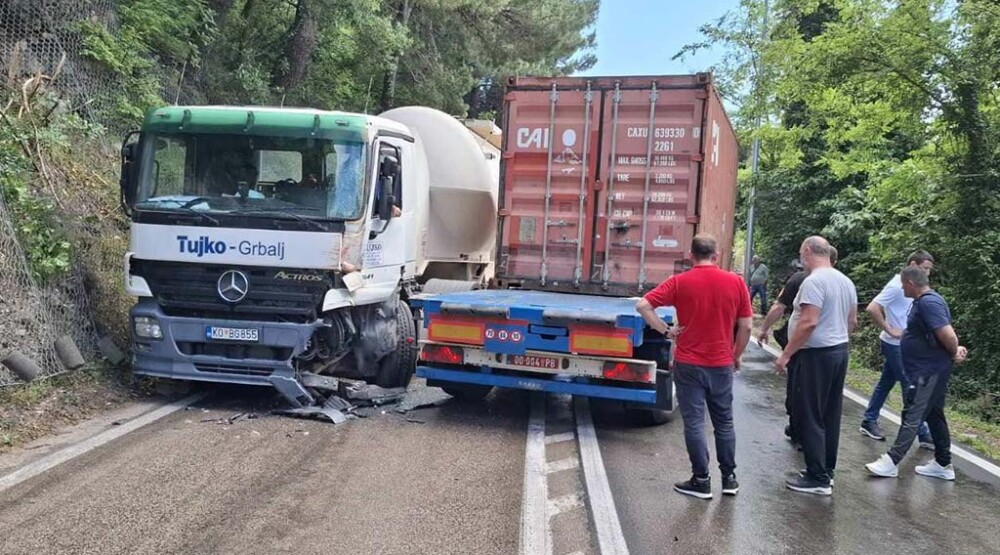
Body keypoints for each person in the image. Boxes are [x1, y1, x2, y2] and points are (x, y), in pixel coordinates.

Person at [636, 234, 753, 500]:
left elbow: (643, 305)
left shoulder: (680, 282)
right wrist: (736, 354)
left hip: (689, 363)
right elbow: (746, 325)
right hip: (722, 362)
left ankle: (701, 480)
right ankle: (729, 479)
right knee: (724, 422)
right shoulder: (735, 282)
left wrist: (667, 331)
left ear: (691, 255)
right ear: (717, 254)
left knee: (695, 423)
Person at [865, 266, 967, 480]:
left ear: (911, 283)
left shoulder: (929, 303)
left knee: (912, 414)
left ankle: (891, 461)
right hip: (927, 369)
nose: (902, 288)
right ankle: (942, 464)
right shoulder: (924, 302)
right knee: (934, 415)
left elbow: (947, 334)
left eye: (903, 284)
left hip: (929, 371)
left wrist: (954, 351)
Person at [775, 236, 857, 496]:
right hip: (838, 351)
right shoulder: (845, 281)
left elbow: (808, 322)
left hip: (815, 356)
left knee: (808, 414)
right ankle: (826, 470)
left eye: (802, 253)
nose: (801, 258)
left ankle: (817, 476)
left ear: (808, 251)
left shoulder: (814, 282)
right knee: (829, 414)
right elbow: (852, 321)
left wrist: (787, 354)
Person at [860, 251, 936, 446]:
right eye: (925, 268)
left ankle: (869, 420)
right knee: (910, 386)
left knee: (886, 382)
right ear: (912, 264)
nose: (927, 274)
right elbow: (872, 307)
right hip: (895, 344)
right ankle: (922, 432)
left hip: (905, 344)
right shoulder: (896, 285)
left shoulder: (914, 286)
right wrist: (889, 329)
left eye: (929, 270)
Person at [758, 262, 809, 445]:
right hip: (831, 348)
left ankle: (797, 428)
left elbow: (779, 307)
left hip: (801, 344)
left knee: (796, 387)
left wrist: (764, 329)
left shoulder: (799, 279)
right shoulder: (841, 282)